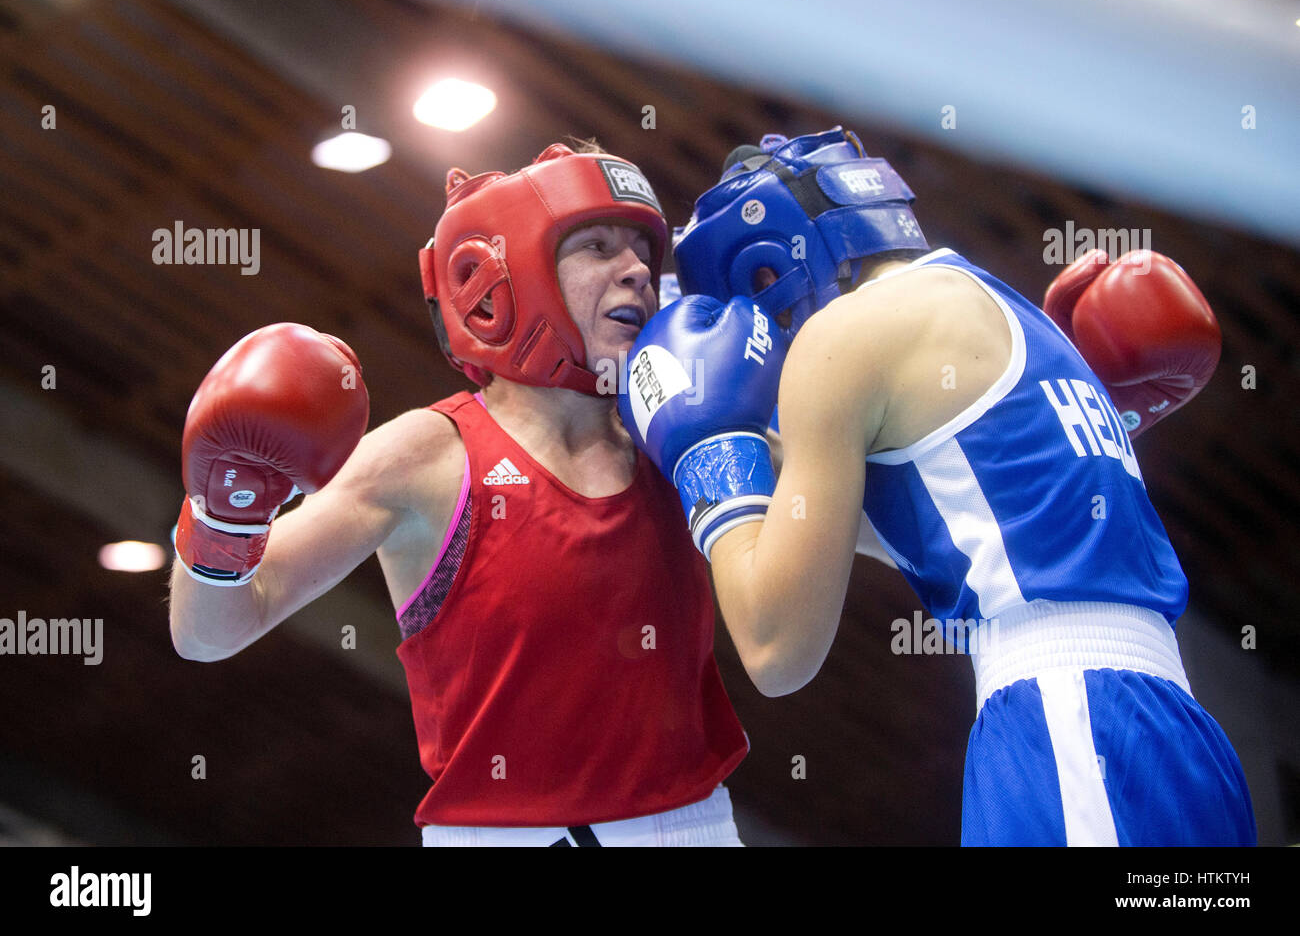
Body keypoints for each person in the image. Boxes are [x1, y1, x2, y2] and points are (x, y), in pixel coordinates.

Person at [619, 126, 1255, 846]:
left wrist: (710, 448)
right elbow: (919, 523)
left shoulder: (842, 339)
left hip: (1068, 722)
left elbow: (776, 646)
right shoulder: (1007, 312)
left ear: (763, 272)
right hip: (1178, 731)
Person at [169, 141, 748, 847]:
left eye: (642, 250)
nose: (635, 271)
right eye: (597, 246)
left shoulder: (682, 434)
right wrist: (223, 510)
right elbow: (209, 633)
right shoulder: (429, 455)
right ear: (497, 277)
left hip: (696, 825)